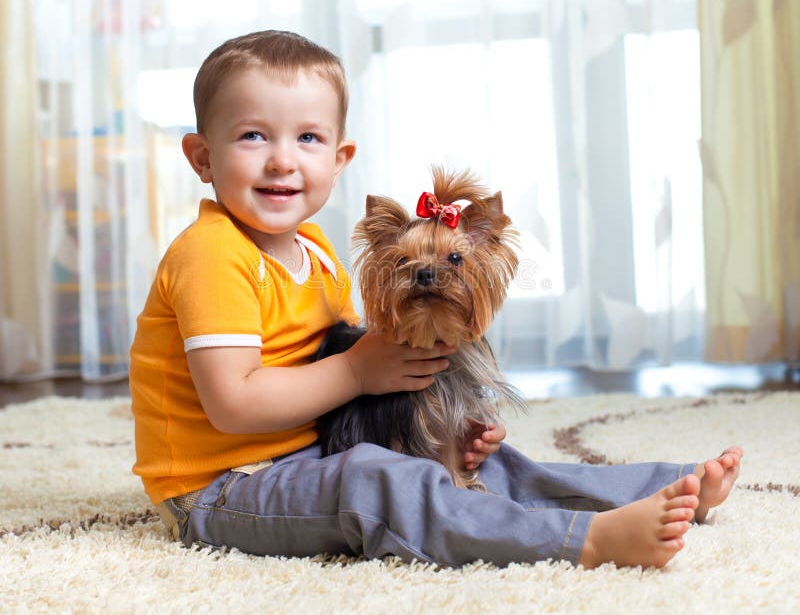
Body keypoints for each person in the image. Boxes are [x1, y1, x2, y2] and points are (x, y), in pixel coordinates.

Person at [129, 29, 742, 569]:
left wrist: (454, 433)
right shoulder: (212, 254)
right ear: (203, 157)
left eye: (308, 137)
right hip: (221, 490)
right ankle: (585, 540)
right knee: (379, 483)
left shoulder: (313, 250)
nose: (282, 160)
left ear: (339, 161)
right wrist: (357, 371)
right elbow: (234, 404)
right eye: (253, 136)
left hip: (309, 451)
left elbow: (358, 365)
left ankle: (667, 486)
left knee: (485, 465)